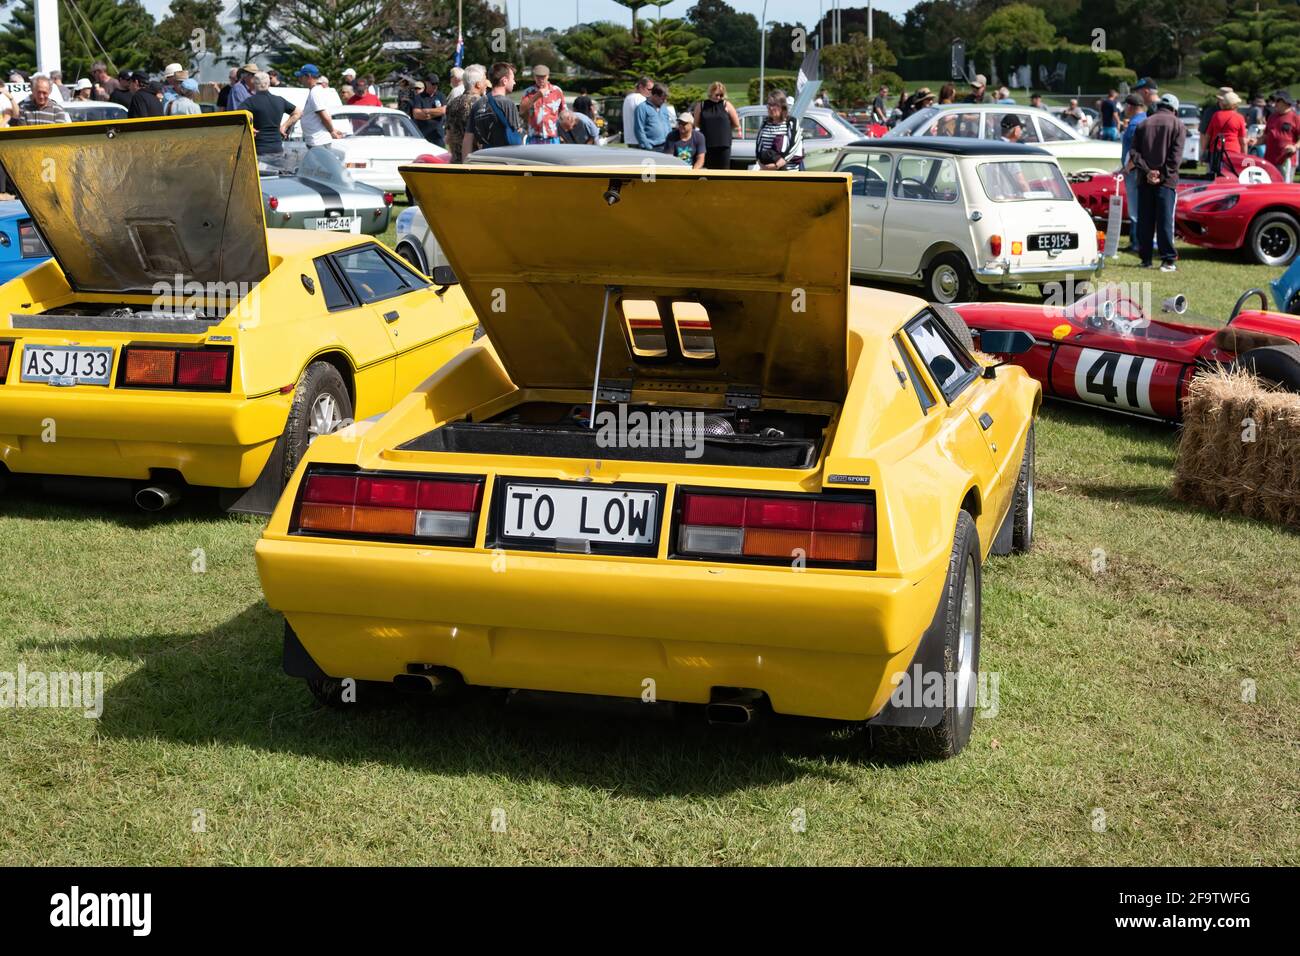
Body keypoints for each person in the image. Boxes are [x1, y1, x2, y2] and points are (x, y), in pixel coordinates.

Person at [1130, 92, 1186, 272]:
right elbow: (1175, 158)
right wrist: (1161, 175)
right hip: (1166, 181)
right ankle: (1168, 260)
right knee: (1164, 221)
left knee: (1145, 219)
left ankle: (1145, 259)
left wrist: (1147, 171)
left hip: (1144, 179)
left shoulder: (1143, 123)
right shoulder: (1178, 124)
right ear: (1174, 109)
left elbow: (1134, 153)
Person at [466, 62, 522, 155]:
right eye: (512, 79)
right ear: (504, 81)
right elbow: (515, 135)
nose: (514, 82)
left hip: (485, 155)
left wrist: (466, 164)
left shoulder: (478, 104)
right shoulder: (508, 104)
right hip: (505, 157)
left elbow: (468, 137)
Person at [241, 72, 300, 155]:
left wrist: (250, 128)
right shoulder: (279, 100)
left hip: (258, 150)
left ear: (254, 83)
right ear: (268, 83)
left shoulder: (249, 102)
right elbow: (298, 112)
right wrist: (284, 126)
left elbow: (236, 118)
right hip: (277, 149)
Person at [1119, 93, 1147, 250]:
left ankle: (1136, 242)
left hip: (1133, 170)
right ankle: (1138, 240)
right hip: (1143, 169)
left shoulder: (1134, 125)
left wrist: (1126, 168)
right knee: (1141, 205)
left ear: (1130, 106)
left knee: (1134, 207)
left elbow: (1132, 151)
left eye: (1126, 105)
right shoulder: (1146, 119)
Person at [693, 81, 740, 170]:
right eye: (717, 94)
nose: (719, 97)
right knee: (708, 170)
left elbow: (736, 123)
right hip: (706, 143)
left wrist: (725, 129)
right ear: (711, 93)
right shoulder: (701, 105)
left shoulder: (726, 104)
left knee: (724, 171)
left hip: (723, 144)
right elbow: (696, 123)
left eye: (721, 95)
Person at [445, 64, 486, 162]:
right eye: (484, 80)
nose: (486, 84)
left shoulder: (452, 103)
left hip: (456, 161)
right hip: (476, 161)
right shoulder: (482, 104)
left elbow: (448, 136)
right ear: (478, 84)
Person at [296, 64, 344, 147]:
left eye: (301, 77)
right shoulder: (316, 91)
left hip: (318, 142)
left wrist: (332, 131)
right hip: (316, 141)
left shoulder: (315, 93)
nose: (299, 79)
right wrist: (332, 130)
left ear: (308, 76)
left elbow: (324, 116)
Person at [753, 91, 803, 171]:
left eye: (774, 105)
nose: (770, 108)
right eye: (769, 104)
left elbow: (793, 146)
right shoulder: (765, 123)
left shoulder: (791, 122)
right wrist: (761, 164)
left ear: (782, 106)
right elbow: (759, 145)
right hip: (766, 170)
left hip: (788, 171)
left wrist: (776, 165)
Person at [1202, 90, 1247, 176]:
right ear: (1234, 105)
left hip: (1216, 151)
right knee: (1232, 177)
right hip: (1233, 152)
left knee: (1215, 177)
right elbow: (1243, 141)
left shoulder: (1216, 115)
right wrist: (1244, 156)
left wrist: (1204, 151)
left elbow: (1208, 135)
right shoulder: (1239, 118)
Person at [520, 65, 564, 144]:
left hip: (552, 137)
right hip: (534, 136)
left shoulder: (557, 91)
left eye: (543, 77)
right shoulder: (528, 92)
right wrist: (536, 96)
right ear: (534, 77)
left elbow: (563, 113)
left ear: (548, 76)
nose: (541, 80)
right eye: (538, 77)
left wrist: (564, 133)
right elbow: (522, 111)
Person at [1265, 90, 1299, 180]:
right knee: (1269, 190)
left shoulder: (1295, 118)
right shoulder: (1271, 117)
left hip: (1285, 161)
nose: (1274, 104)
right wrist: (1254, 141)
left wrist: (1294, 147)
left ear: (1285, 102)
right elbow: (1265, 136)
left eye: (1277, 101)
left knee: (1284, 190)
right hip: (1269, 160)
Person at [405, 76, 446, 146]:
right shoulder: (419, 97)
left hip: (438, 134)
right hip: (423, 134)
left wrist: (427, 111)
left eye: (437, 84)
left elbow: (443, 111)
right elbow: (416, 114)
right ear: (427, 83)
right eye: (433, 84)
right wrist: (436, 113)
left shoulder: (440, 96)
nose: (435, 86)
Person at [633, 83, 673, 151]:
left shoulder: (664, 107)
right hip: (652, 147)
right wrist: (647, 146)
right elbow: (639, 129)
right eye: (662, 99)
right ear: (655, 96)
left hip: (666, 146)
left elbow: (668, 124)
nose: (664, 101)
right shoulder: (642, 108)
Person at [622, 76, 651, 147]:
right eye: (649, 89)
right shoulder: (641, 99)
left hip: (630, 139)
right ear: (641, 87)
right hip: (641, 140)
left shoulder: (628, 98)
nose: (651, 92)